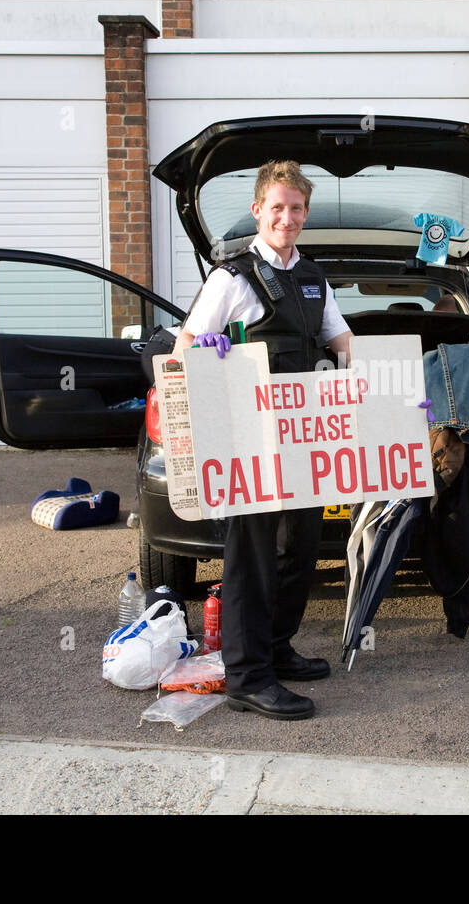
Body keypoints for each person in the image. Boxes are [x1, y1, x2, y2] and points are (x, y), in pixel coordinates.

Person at [174, 159, 353, 719]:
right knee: (250, 555)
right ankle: (248, 677)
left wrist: (373, 383)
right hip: (247, 438)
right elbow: (184, 351)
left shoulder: (314, 279)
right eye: (277, 207)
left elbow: (344, 342)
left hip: (303, 436)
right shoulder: (230, 278)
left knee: (300, 546)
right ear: (258, 210)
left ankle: (276, 648)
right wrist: (212, 354)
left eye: (297, 208)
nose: (287, 217)